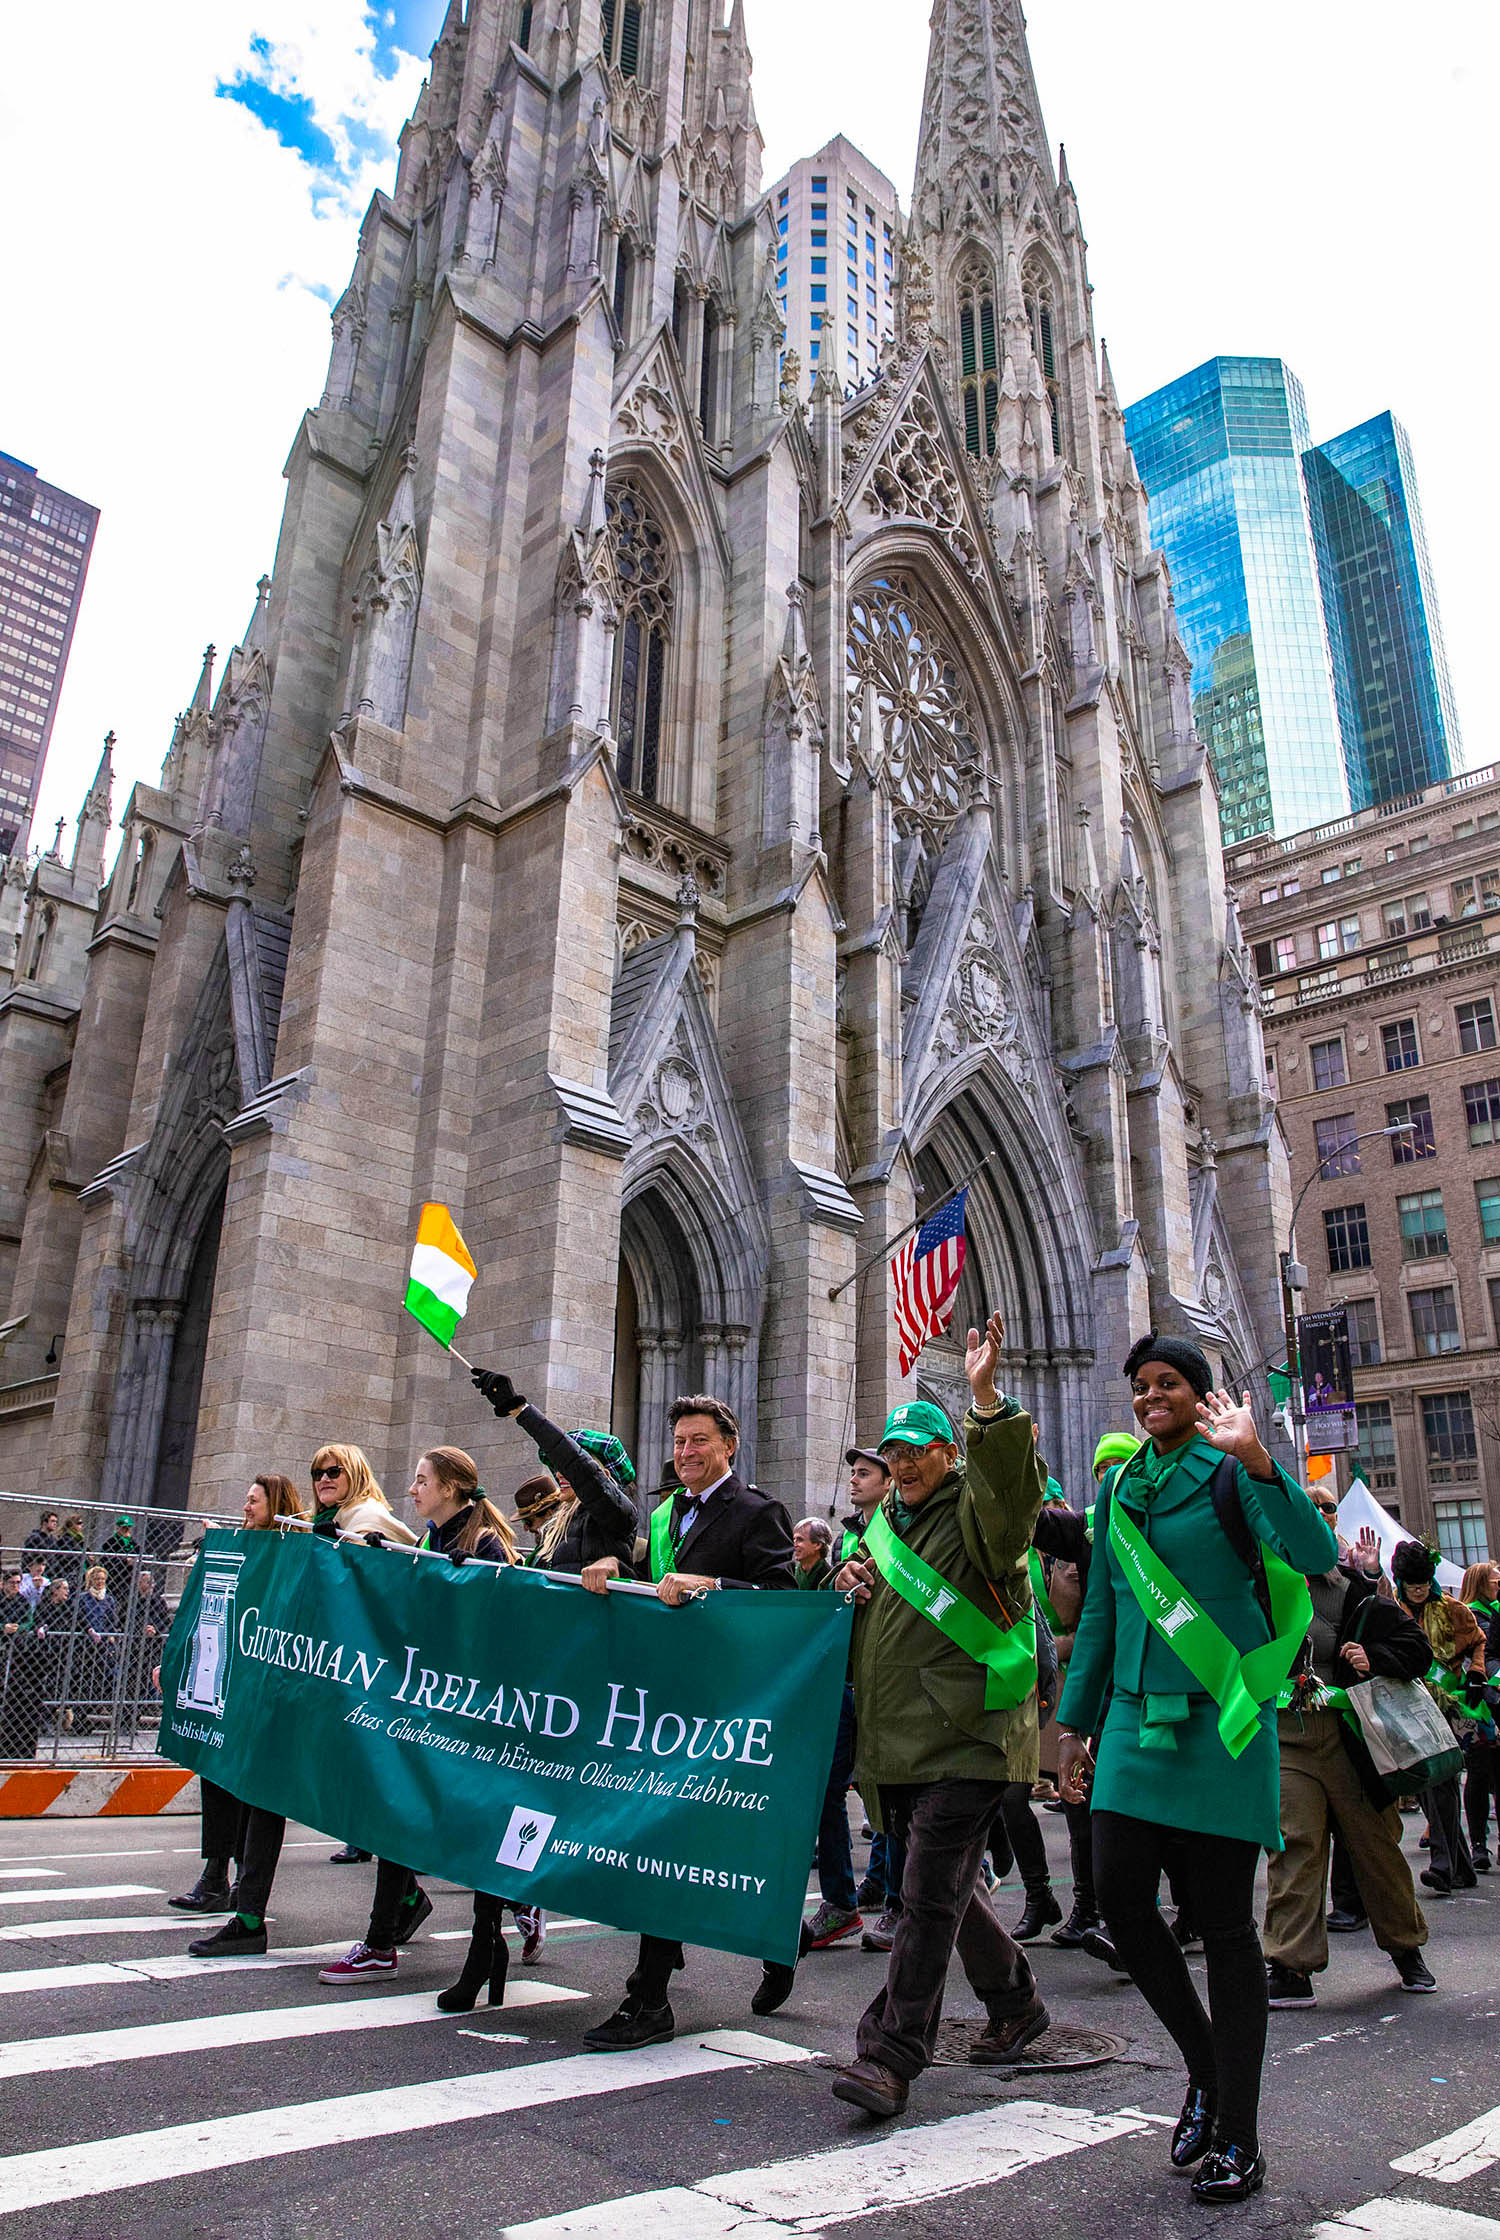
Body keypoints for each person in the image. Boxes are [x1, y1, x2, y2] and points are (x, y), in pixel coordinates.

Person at [1057, 1334, 1337, 2205]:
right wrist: (1073, 1727)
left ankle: (1240, 2136)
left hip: (1222, 1724)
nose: (1150, 1397)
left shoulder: (1228, 1474)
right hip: (1136, 1731)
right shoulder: (1118, 1487)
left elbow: (1316, 1556)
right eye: (1140, 1386)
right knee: (1125, 1906)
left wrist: (1256, 1457)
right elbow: (1100, 1612)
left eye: (1167, 1383)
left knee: (1223, 1928)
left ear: (1200, 1393)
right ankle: (1205, 2068)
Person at [828, 1312, 1052, 2120]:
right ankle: (1017, 2003)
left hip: (969, 1736)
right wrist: (849, 1589)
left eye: (918, 1449)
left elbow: (1012, 1496)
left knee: (923, 1896)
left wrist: (985, 1398)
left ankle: (889, 2055)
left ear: (949, 1452)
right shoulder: (889, 1525)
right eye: (893, 1454)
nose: (904, 1463)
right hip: (901, 1743)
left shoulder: (976, 1512)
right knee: (949, 1892)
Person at [578, 1391, 796, 2051]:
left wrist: (717, 1588)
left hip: (728, 1710)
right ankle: (650, 1991)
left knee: (728, 1845)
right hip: (667, 1707)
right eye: (678, 1443)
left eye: (699, 1440)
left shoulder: (760, 1512)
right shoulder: (666, 1513)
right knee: (662, 1843)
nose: (686, 1453)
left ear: (728, 1445)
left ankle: (776, 1946)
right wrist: (618, 1567)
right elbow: (650, 1580)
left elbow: (785, 1601)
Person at [320, 1446, 519, 1993]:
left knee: (475, 1826)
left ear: (451, 1488)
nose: (413, 1490)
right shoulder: (432, 1540)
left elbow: (496, 1621)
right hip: (430, 1703)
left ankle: (495, 1934)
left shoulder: (484, 1544)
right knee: (398, 1810)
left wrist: (465, 1584)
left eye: (422, 1481)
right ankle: (383, 1941)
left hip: (470, 1711)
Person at [472, 1371, 643, 1967]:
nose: (564, 1475)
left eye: (577, 1467)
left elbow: (589, 1476)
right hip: (540, 1683)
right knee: (513, 1797)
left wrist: (522, 1411)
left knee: (556, 1803)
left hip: (587, 1692)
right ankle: (501, 1919)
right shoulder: (557, 1529)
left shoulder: (614, 1517)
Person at [1262, 1480, 1435, 2007]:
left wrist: (1370, 1659)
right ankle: (1291, 1966)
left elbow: (1415, 1650)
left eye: (1321, 1513)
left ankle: (1407, 1949)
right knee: (1294, 1848)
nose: (1313, 1521)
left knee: (1377, 1849)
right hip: (1289, 1741)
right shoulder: (1261, 1587)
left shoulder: (1356, 1589)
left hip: (1352, 1741)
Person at [185, 1474, 309, 1953]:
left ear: (274, 1505)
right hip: (229, 1679)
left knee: (251, 1788)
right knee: (216, 1774)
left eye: (253, 1501)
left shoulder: (288, 1551)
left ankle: (240, 1887)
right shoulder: (240, 1547)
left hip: (264, 1686)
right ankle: (218, 1871)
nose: (246, 1508)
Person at [1391, 1539, 1486, 1895]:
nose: (1418, 1592)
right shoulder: (1392, 1610)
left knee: (1441, 1775)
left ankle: (1442, 1863)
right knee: (1429, 1779)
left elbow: (1478, 1641)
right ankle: (1458, 1865)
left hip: (1455, 1705)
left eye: (1423, 1585)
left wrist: (1477, 1672)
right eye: (1412, 1586)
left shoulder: (1455, 1610)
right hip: (1410, 1704)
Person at [839, 1447, 906, 1951]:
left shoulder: (905, 1531)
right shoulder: (853, 1537)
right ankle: (857, 1896)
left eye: (865, 1473)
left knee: (896, 1797)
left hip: (895, 1685)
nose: (854, 1481)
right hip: (852, 1683)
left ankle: (901, 1904)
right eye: (853, 1473)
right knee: (860, 1793)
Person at [1460, 1560, 1500, 1872]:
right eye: (1494, 1580)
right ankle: (1478, 1845)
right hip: (1476, 1703)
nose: (1498, 1585)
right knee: (1478, 1771)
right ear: (1481, 1583)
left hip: (1492, 1701)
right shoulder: (1471, 1614)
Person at [75, 1565, 120, 1724]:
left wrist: (111, 1635)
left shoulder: (109, 1599)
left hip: (103, 1644)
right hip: (86, 1644)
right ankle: (81, 1712)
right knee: (85, 1677)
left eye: (102, 1579)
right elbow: (80, 1617)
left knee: (106, 1675)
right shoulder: (83, 1598)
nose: (100, 1582)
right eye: (97, 1579)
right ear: (91, 1580)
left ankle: (98, 1704)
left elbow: (112, 1619)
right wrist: (89, 1629)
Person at [98, 1516, 138, 1603]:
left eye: (128, 1527)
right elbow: (107, 1561)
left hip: (129, 1579)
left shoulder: (133, 1543)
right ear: (118, 1528)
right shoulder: (110, 1543)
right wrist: (124, 1561)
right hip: (115, 1579)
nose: (126, 1530)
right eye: (124, 1528)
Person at [793, 1517, 835, 1589]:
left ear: (818, 1544)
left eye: (800, 1540)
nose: (794, 1544)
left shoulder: (832, 1579)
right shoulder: (789, 1575)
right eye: (794, 1539)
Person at [51, 1514, 87, 1596]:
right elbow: (66, 1558)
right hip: (70, 1574)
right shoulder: (66, 1539)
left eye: (82, 1523)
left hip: (80, 1574)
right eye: (79, 1523)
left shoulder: (79, 1539)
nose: (81, 1525)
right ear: (72, 1525)